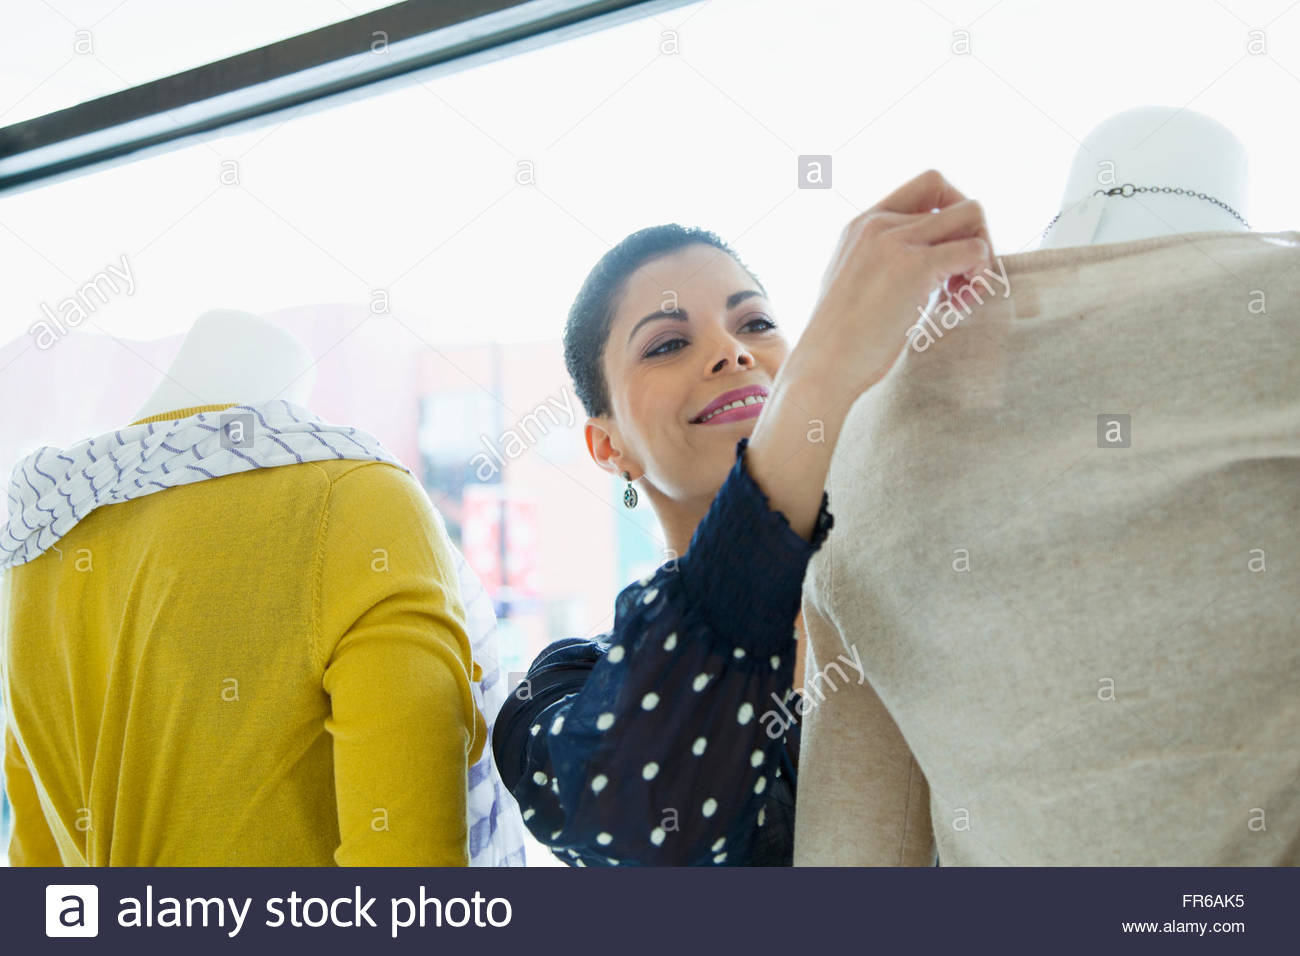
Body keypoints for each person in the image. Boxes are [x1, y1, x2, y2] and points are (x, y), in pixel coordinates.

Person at [491, 169, 993, 865]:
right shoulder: (560, 699)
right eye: (667, 343)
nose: (732, 351)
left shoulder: (935, 592)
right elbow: (641, 815)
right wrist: (823, 372)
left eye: (755, 323)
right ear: (608, 447)